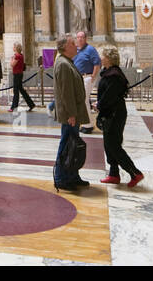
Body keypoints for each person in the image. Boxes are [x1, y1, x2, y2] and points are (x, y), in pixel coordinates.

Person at [97, 45, 142, 187]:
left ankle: (134, 172)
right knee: (108, 144)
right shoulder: (109, 72)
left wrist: (99, 105)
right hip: (110, 112)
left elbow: (110, 96)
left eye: (103, 55)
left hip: (114, 113)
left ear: (109, 58)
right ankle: (114, 174)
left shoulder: (114, 75)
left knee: (113, 145)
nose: (100, 58)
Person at [52, 35, 90, 192]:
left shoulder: (67, 62)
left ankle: (73, 174)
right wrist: (71, 114)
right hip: (70, 114)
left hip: (73, 112)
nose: (76, 46)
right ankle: (61, 177)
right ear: (65, 47)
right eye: (72, 44)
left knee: (73, 144)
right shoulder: (63, 64)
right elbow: (66, 93)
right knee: (67, 144)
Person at [73, 32, 102, 128]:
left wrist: (93, 76)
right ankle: (83, 123)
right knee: (80, 100)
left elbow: (97, 63)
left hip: (87, 77)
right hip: (78, 78)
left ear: (85, 39)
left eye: (82, 37)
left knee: (83, 99)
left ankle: (88, 125)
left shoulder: (90, 49)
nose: (80, 39)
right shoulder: (76, 50)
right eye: (78, 37)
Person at [9, 42, 35, 113]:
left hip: (17, 75)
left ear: (16, 48)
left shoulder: (17, 56)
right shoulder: (21, 55)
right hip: (19, 74)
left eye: (14, 46)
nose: (13, 48)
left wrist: (11, 59)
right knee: (22, 90)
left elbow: (12, 64)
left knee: (16, 91)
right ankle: (31, 104)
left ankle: (14, 107)